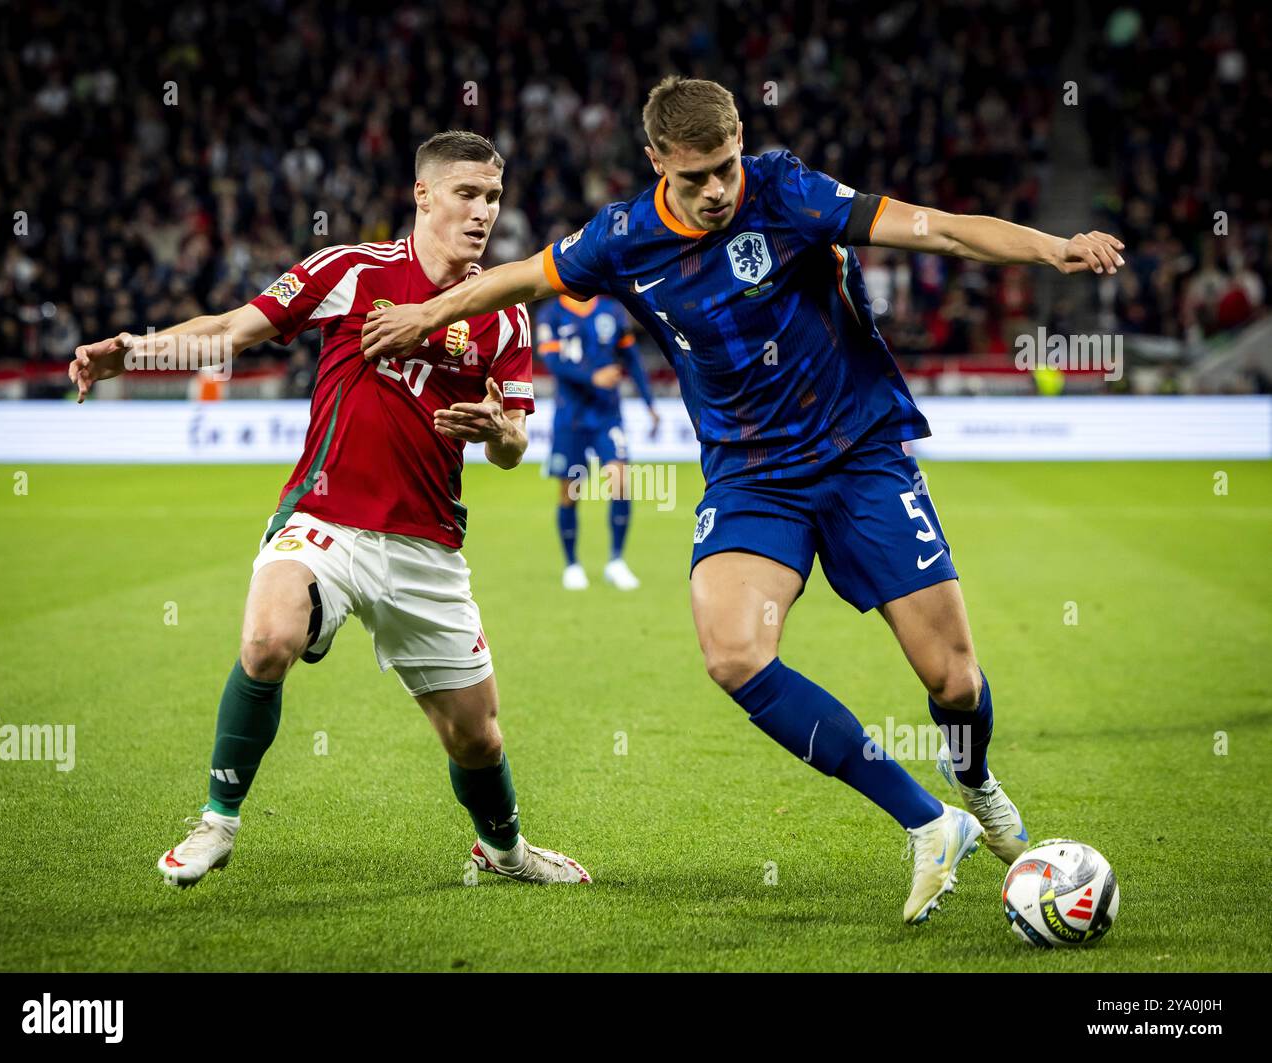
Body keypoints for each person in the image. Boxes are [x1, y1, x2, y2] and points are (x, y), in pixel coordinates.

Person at [360, 78, 1127, 925]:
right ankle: (927, 820)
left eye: (726, 167)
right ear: (656, 163)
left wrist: (1053, 248)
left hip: (860, 454)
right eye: (696, 178)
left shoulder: (786, 191)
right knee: (732, 652)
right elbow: (518, 281)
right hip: (751, 474)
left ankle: (971, 777)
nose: (719, 190)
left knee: (953, 679)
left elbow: (935, 228)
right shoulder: (621, 236)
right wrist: (423, 315)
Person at [68, 131, 590, 889]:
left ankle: (506, 853)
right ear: (423, 195)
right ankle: (218, 821)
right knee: (269, 635)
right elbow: (232, 333)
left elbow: (515, 445)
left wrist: (498, 431)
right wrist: (134, 349)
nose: (484, 212)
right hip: (326, 519)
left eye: (494, 198)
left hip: (426, 545)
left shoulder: (502, 314)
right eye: (468, 194)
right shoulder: (353, 271)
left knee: (475, 737)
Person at [536, 294, 658, 590]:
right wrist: (594, 376)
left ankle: (616, 561)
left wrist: (649, 403)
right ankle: (572, 565)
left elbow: (631, 358)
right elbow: (552, 362)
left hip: (607, 415)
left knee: (619, 481)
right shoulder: (551, 314)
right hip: (571, 416)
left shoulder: (611, 310)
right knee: (570, 492)